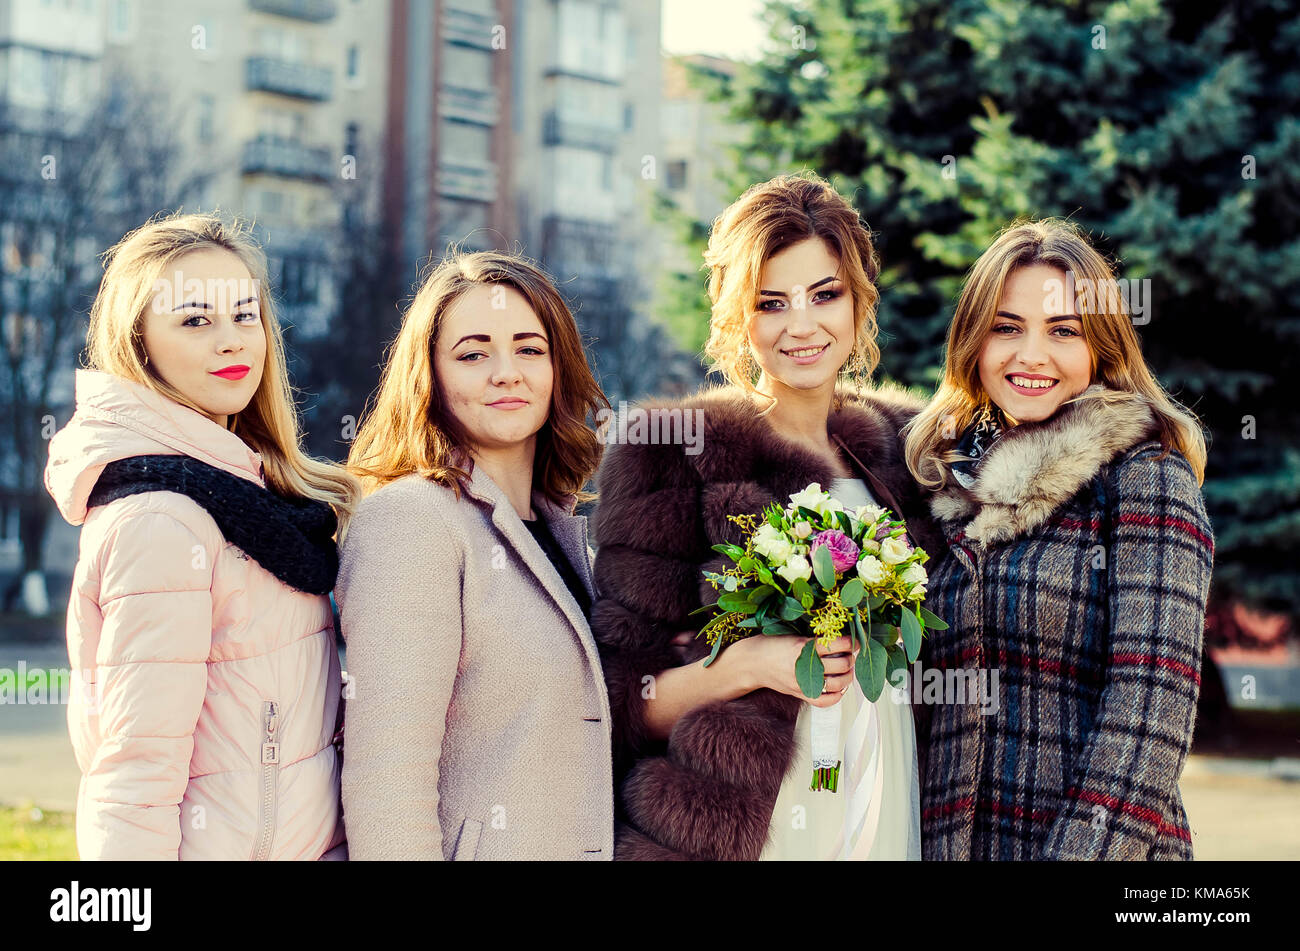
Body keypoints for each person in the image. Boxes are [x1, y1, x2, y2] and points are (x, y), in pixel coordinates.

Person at [590, 172, 944, 860]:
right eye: (771, 302)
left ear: (859, 301)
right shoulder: (671, 457)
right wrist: (749, 662)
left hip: (885, 791)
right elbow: (617, 702)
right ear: (735, 315)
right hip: (747, 827)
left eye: (825, 295)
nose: (802, 325)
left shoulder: (910, 451)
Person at [44, 212, 357, 860]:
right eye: (194, 319)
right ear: (140, 342)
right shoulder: (163, 520)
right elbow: (135, 772)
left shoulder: (256, 492)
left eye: (245, 315)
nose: (232, 341)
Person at [903, 218, 1213, 860]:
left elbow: (1151, 708)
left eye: (1063, 331)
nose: (1030, 355)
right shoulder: (949, 487)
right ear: (974, 341)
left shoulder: (1144, 476)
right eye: (1007, 327)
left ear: (1100, 347)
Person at [337, 250, 614, 860]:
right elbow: (387, 777)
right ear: (430, 377)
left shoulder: (564, 528)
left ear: (558, 367)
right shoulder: (411, 520)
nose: (506, 372)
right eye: (472, 354)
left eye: (529, 348)